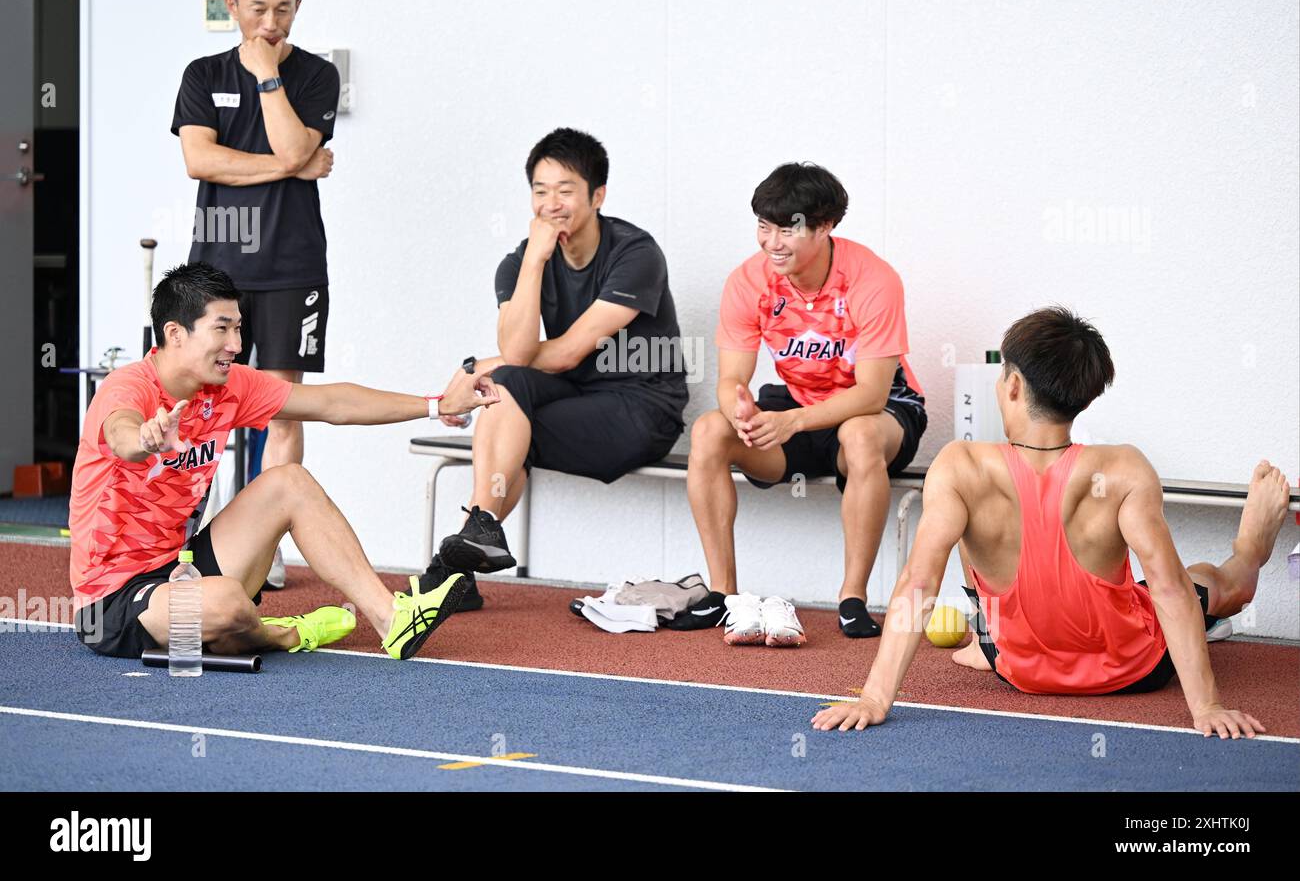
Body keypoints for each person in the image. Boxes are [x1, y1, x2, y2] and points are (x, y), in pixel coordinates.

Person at [812, 307, 1290, 738]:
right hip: (1132, 670)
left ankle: (995, 632)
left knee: (959, 516)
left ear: (1014, 386)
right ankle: (1247, 553)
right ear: (1082, 398)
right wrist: (1205, 706)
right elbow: (1169, 591)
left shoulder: (960, 465)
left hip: (1018, 670)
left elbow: (919, 583)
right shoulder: (1123, 468)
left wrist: (875, 698)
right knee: (1210, 581)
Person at [70, 263, 497, 662]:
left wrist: (437, 405)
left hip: (180, 565)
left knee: (288, 482)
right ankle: (284, 634)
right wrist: (145, 439)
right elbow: (120, 432)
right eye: (222, 329)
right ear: (175, 333)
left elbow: (334, 402)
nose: (236, 346)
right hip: (113, 598)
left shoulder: (227, 387)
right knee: (224, 604)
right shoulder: (127, 387)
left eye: (237, 329)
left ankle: (392, 618)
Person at [417, 128, 688, 609]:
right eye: (540, 191)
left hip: (641, 411)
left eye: (565, 190)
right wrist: (538, 258)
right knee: (506, 394)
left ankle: (457, 561)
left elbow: (565, 354)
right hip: (572, 399)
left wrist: (479, 366)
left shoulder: (635, 253)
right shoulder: (521, 263)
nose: (551, 203)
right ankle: (476, 540)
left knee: (503, 400)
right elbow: (519, 352)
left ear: (597, 195)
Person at [670, 163, 927, 643]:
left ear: (825, 226)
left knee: (859, 432)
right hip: (795, 406)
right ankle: (725, 595)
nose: (773, 242)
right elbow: (731, 380)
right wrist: (739, 409)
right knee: (709, 430)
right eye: (764, 227)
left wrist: (793, 422)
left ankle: (852, 599)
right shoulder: (749, 282)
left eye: (789, 227)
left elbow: (871, 393)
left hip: (881, 408)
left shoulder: (873, 279)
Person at [171, 0, 340, 589]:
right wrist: (289, 169)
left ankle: (263, 543)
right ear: (232, 4)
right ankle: (189, 537)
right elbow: (201, 160)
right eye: (258, 9)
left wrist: (268, 75)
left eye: (285, 9)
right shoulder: (202, 76)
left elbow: (296, 140)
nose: (271, 23)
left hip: (292, 267)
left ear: (299, 6)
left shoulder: (316, 75)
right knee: (201, 406)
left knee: (282, 407)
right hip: (215, 272)